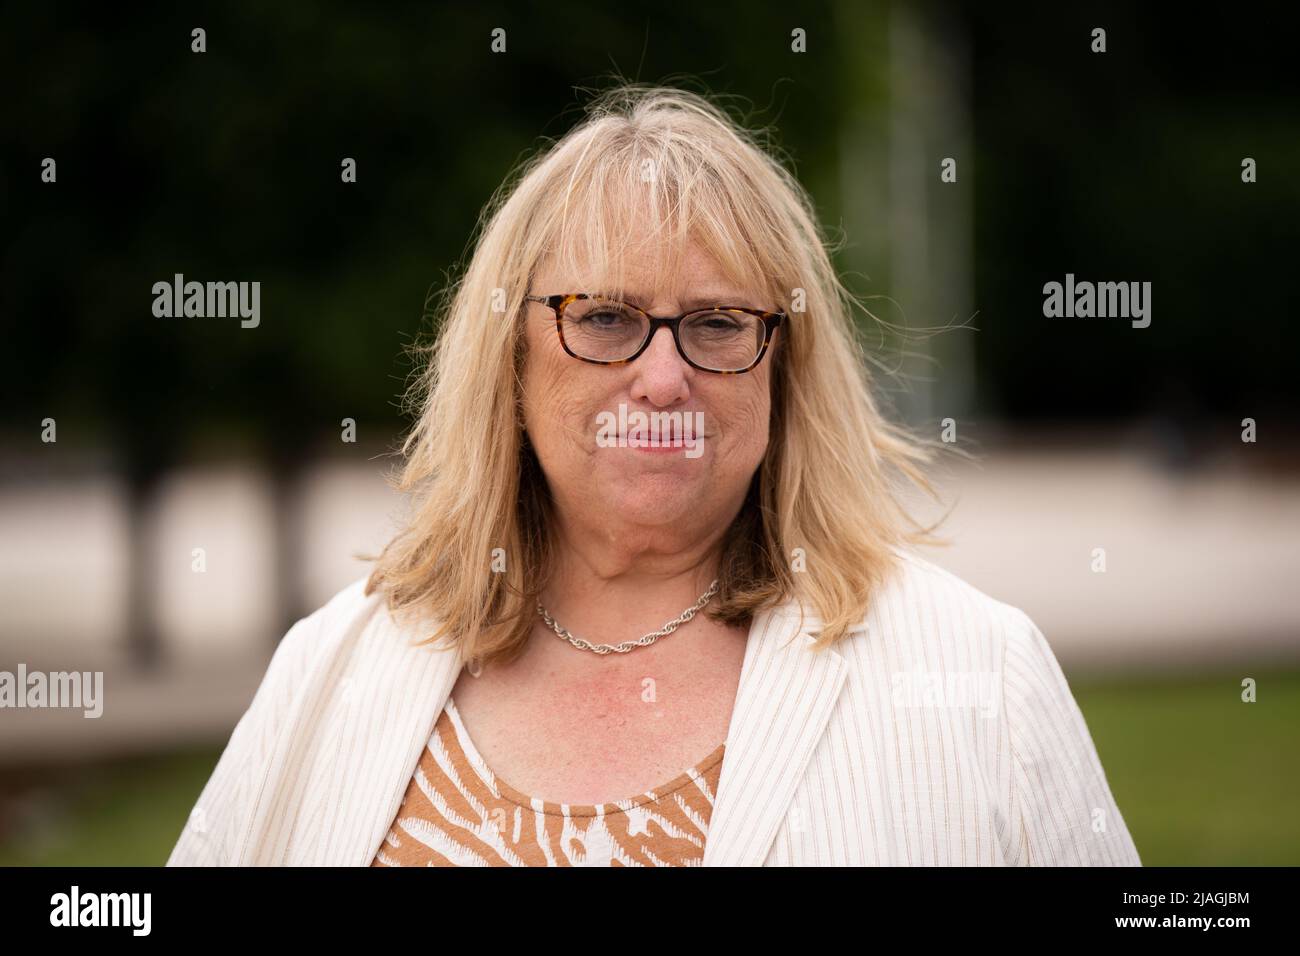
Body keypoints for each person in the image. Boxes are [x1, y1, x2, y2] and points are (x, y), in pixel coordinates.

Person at [167, 83, 1140, 867]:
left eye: (718, 323)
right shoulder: (334, 664)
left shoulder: (980, 672)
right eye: (602, 316)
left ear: (784, 370)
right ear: (508, 355)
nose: (663, 373)